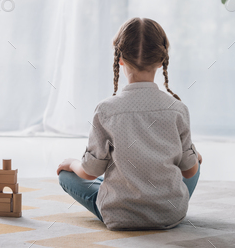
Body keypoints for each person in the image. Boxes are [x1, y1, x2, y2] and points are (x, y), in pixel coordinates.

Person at [56, 17, 202, 231]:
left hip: (120, 216)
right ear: (162, 61)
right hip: (170, 213)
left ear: (120, 59)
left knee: (67, 176)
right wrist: (194, 156)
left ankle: (117, 196)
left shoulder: (105, 110)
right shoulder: (178, 109)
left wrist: (70, 163)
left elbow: (89, 172)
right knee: (194, 161)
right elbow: (189, 172)